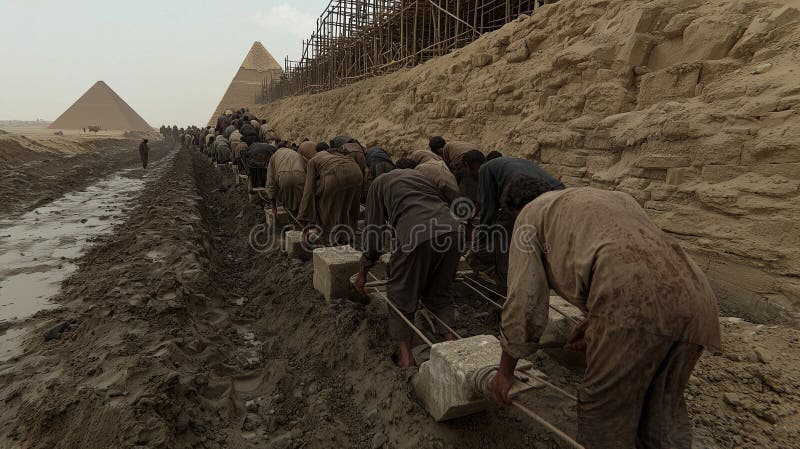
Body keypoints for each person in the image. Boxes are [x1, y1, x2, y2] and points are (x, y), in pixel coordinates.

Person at [488, 179, 722, 449]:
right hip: (698, 299)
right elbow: (637, 256)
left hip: (631, 300)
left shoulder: (529, 216)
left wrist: (505, 372)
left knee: (603, 415)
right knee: (662, 411)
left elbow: (524, 298)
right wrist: (595, 319)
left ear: (516, 210)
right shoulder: (614, 198)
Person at [352, 170, 464, 368]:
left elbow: (374, 232)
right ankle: (452, 345)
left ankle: (406, 358)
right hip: (454, 231)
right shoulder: (424, 177)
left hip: (417, 234)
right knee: (440, 292)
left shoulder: (378, 185)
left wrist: (363, 271)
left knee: (400, 295)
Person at [469, 156, 564, 284]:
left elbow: (489, 210)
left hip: (530, 195)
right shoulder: (506, 163)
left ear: (469, 167)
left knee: (501, 232)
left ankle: (506, 278)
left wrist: (479, 241)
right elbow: (483, 202)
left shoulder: (484, 171)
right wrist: (475, 212)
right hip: (559, 191)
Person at [298, 150, 363, 243]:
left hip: (335, 174)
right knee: (347, 205)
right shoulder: (333, 156)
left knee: (326, 206)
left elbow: (308, 192)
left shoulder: (312, 161)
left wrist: (304, 225)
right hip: (356, 171)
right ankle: (347, 235)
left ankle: (330, 238)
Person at [266, 147, 307, 217]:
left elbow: (271, 182)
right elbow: (306, 166)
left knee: (286, 200)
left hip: (283, 176)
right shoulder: (296, 153)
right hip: (300, 174)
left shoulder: (274, 156)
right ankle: (303, 222)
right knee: (301, 201)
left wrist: (274, 207)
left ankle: (291, 220)